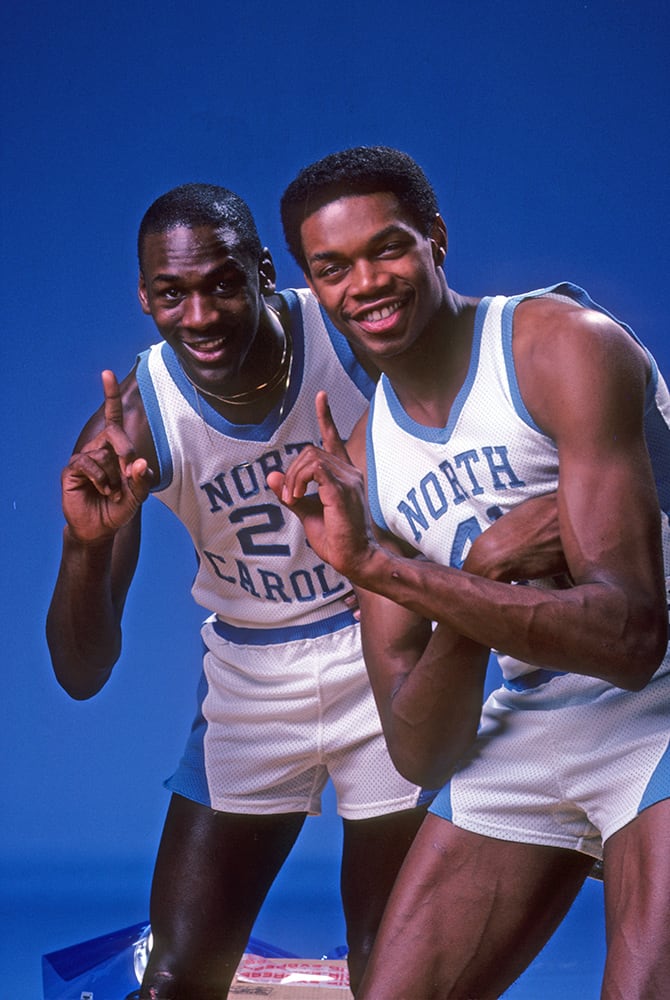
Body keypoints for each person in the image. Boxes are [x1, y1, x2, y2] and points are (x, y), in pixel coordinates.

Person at [268, 146, 670, 999]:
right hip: (534, 714)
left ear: (436, 241)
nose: (365, 283)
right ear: (311, 285)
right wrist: (454, 577)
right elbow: (422, 750)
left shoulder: (558, 346)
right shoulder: (369, 466)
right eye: (332, 269)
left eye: (388, 249)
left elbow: (632, 637)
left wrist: (403, 574)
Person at [45, 182, 437, 1000]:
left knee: (392, 972)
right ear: (144, 300)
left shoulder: (346, 334)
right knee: (178, 981)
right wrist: (86, 549)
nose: (199, 316)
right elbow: (81, 672)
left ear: (263, 270)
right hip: (253, 676)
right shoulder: (136, 425)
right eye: (171, 294)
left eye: (222, 283)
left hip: (382, 646)